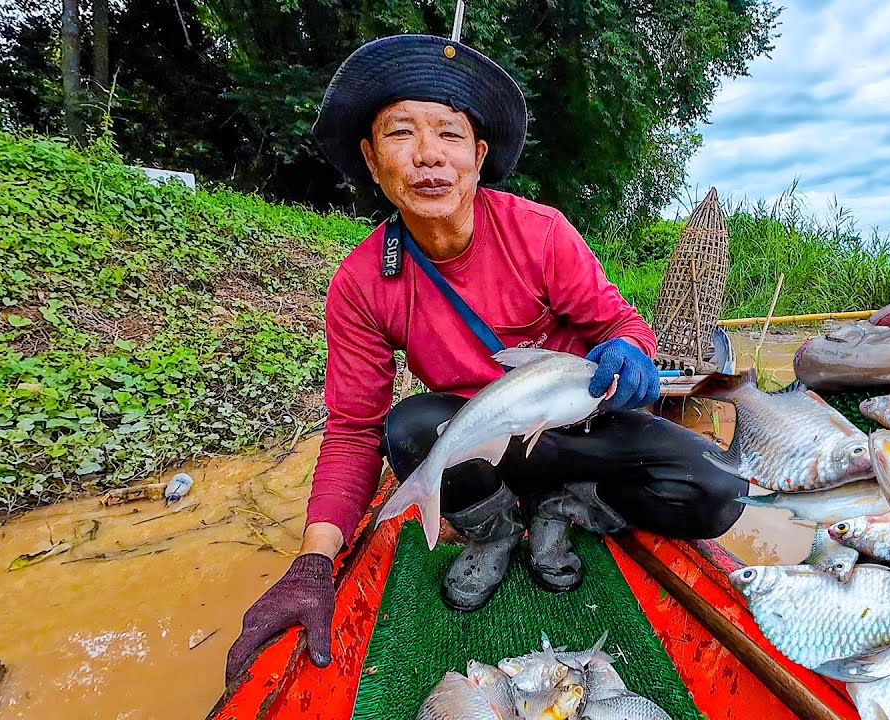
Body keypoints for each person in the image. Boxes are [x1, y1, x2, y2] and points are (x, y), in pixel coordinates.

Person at [224, 34, 746, 683]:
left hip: (577, 426)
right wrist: (312, 562)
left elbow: (620, 322)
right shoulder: (361, 282)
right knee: (408, 428)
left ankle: (569, 507)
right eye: (401, 133)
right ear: (372, 157)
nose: (426, 156)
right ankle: (493, 530)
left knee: (719, 489)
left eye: (448, 133)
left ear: (477, 154)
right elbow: (352, 429)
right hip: (480, 445)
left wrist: (632, 353)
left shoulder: (541, 231)